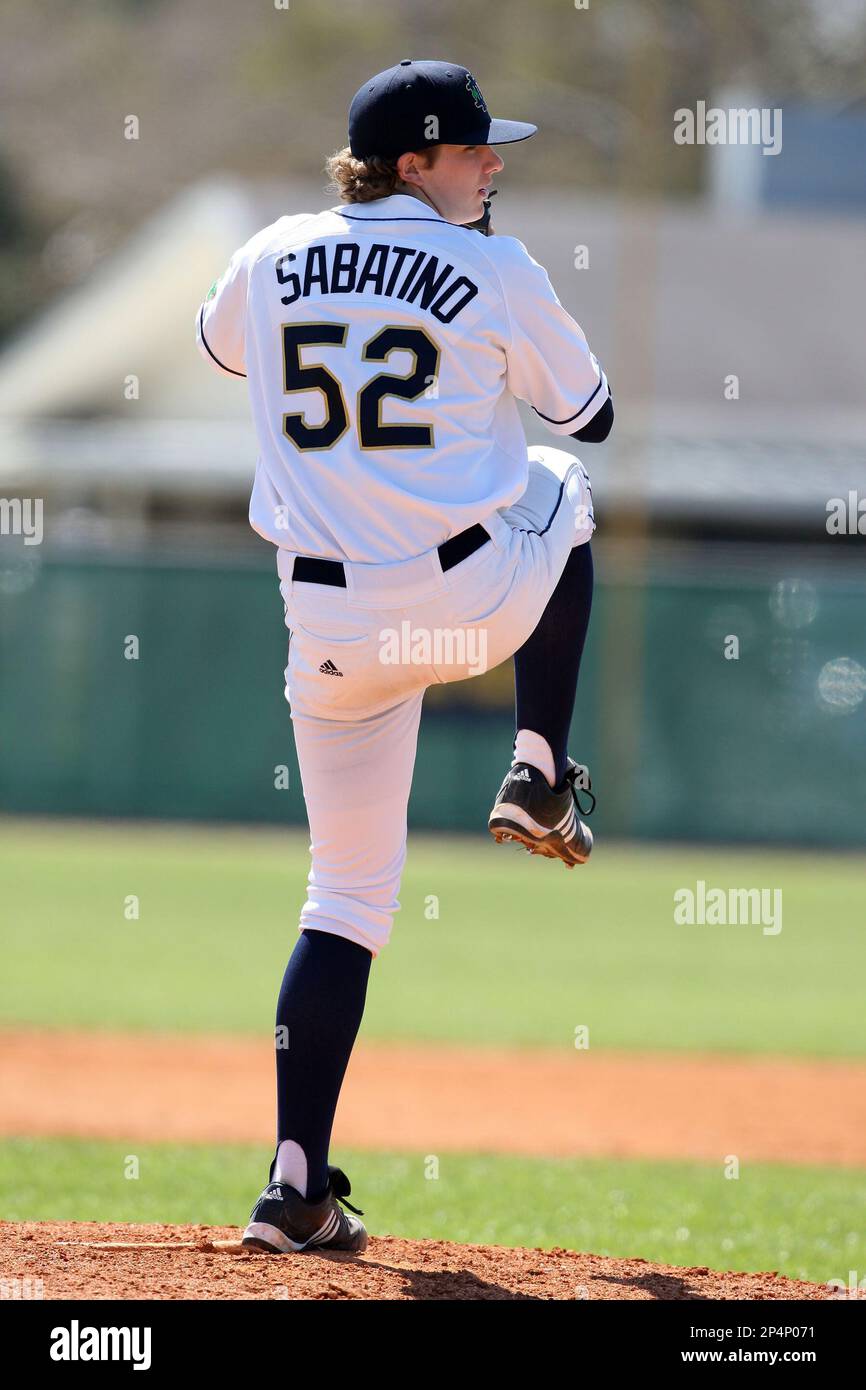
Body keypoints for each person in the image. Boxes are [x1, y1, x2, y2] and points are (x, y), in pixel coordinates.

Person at [195, 59, 612, 1255]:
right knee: (564, 483)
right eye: (476, 150)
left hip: (326, 630)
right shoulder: (491, 263)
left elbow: (226, 348)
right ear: (415, 162)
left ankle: (288, 1183)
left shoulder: (271, 249)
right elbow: (589, 415)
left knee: (341, 896)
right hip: (465, 593)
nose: (493, 165)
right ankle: (538, 768)